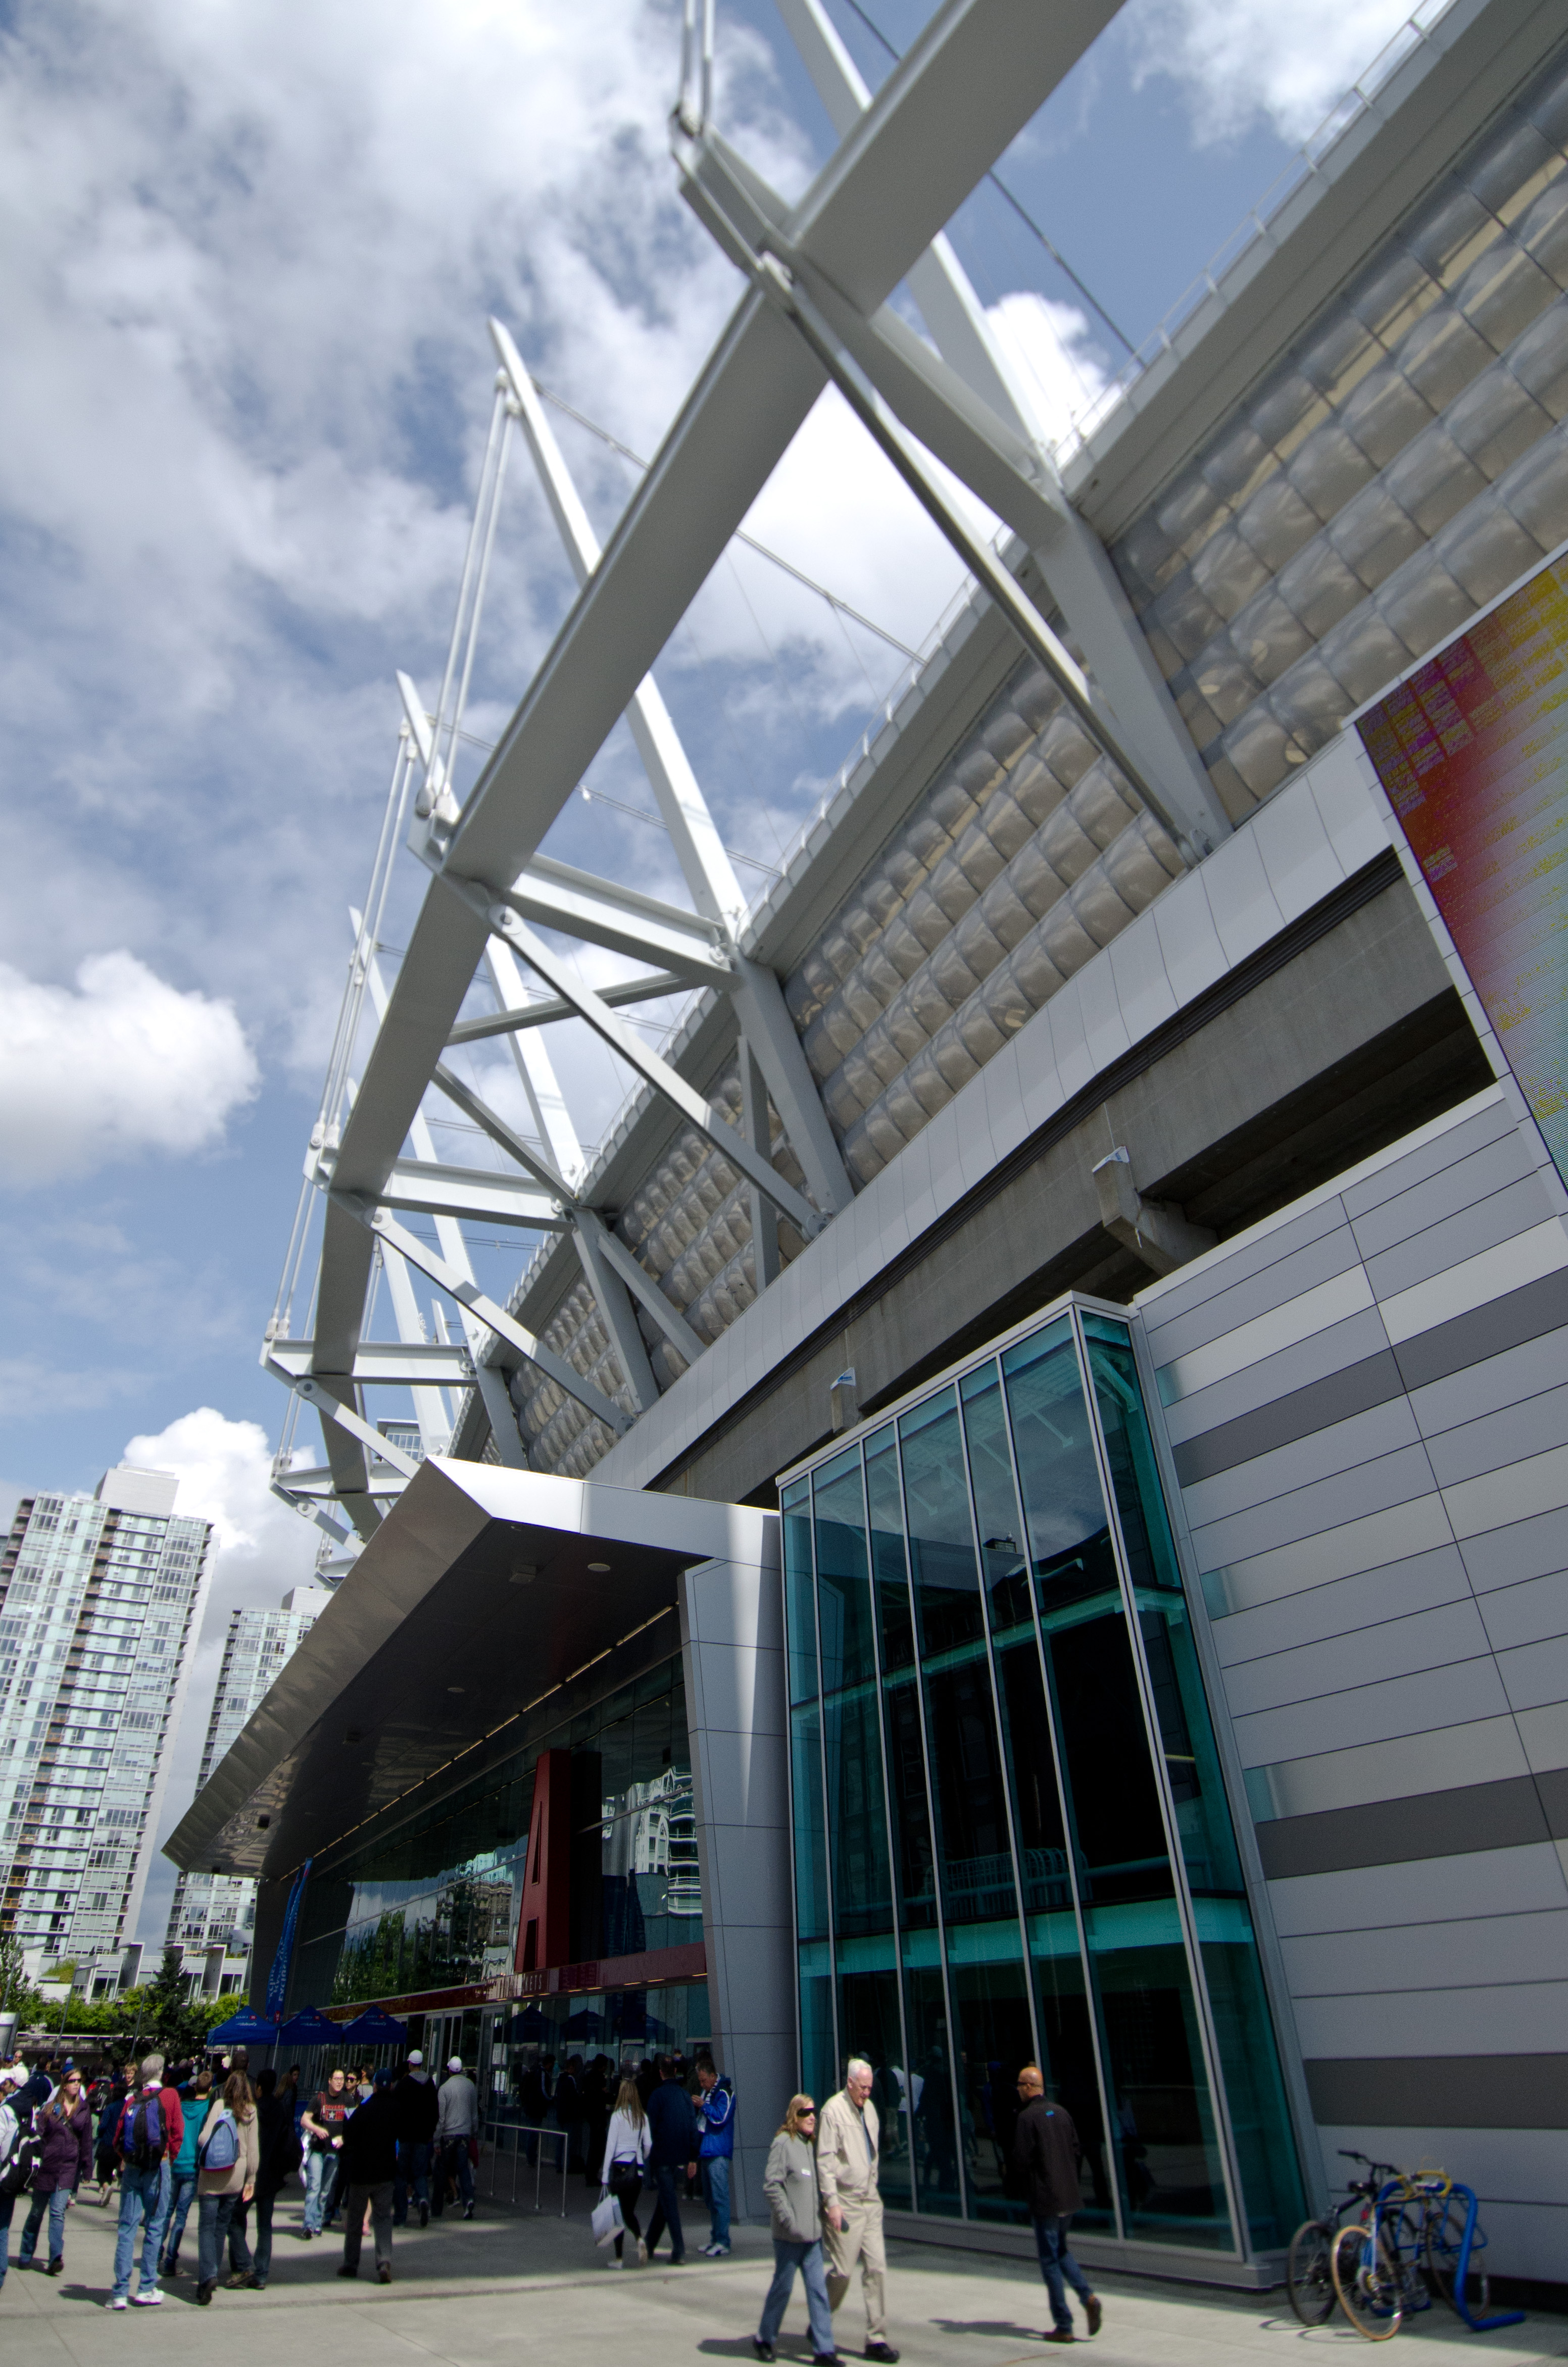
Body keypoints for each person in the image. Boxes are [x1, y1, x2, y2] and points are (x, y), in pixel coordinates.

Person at [1010, 2066, 1101, 2346]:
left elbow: (1021, 2160)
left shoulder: (1027, 2117)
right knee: (1061, 2250)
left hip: (1046, 2200)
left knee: (1049, 2260)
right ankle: (1088, 2297)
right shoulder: (1061, 2113)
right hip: (1068, 2197)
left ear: (1028, 2087)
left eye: (1019, 2085)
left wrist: (1021, 2184)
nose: (1018, 2090)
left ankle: (1064, 2325)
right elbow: (1076, 2150)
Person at [818, 2058, 899, 2364]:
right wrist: (832, 2203)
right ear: (849, 2083)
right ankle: (820, 2321)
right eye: (862, 2088)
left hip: (870, 2200)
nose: (867, 2093)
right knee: (843, 2271)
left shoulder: (871, 2110)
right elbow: (825, 2162)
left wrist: (872, 2183)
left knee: (877, 2268)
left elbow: (872, 2154)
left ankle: (877, 2339)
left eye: (869, 2088)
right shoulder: (833, 2111)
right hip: (846, 2201)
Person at [755, 2093, 837, 2364]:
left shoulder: (810, 2145)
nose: (812, 2117)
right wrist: (789, 2220)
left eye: (814, 2112)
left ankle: (824, 2351)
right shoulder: (783, 2143)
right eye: (806, 2112)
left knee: (818, 2293)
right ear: (794, 2115)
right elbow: (772, 2185)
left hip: (813, 2238)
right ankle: (765, 2339)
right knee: (783, 2289)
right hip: (789, 2237)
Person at [108, 2051, 184, 2309]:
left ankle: (119, 2292)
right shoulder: (170, 2096)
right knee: (155, 2227)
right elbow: (177, 2133)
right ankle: (146, 2289)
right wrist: (168, 2159)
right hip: (158, 2166)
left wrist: (128, 2158)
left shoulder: (132, 2099)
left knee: (127, 2229)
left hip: (132, 2168)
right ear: (162, 2072)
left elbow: (118, 2138)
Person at [17, 2065, 92, 2276]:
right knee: (36, 2212)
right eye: (72, 2081)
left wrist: (87, 2168)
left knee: (58, 2212)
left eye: (79, 2081)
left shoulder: (84, 2109)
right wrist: (33, 2162)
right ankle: (26, 2254)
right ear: (64, 2084)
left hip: (68, 2168)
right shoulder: (51, 2109)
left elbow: (87, 2140)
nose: (76, 2084)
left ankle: (55, 2258)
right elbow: (39, 2137)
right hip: (47, 2167)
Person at [194, 2069, 259, 2305]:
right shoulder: (251, 2111)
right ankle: (212, 2270)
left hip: (212, 2175)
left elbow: (204, 2138)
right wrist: (251, 2180)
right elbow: (253, 2151)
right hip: (236, 2176)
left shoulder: (220, 2105)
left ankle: (208, 2276)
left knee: (206, 2227)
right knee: (221, 2226)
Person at [337, 2064, 398, 2283]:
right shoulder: (396, 2108)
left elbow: (348, 2134)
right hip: (385, 2173)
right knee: (383, 2219)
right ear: (391, 2086)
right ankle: (384, 2261)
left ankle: (351, 2264)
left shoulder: (365, 2107)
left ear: (375, 2087)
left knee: (355, 2219)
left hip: (361, 2172)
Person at [247, 2066, 303, 2289]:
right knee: (265, 2226)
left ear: (259, 2087)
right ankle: (261, 2272)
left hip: (252, 2173)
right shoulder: (280, 2110)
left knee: (235, 2218)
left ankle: (242, 2263)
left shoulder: (254, 2110)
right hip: (271, 2174)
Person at [643, 2054, 697, 2266]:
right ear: (675, 2071)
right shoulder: (684, 2096)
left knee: (669, 2203)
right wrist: (693, 2157)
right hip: (681, 2157)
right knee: (665, 2201)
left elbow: (650, 2130)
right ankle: (649, 2244)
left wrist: (647, 2161)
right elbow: (692, 2127)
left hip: (662, 2156)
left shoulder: (657, 2096)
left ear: (660, 2073)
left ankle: (679, 2250)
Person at [160, 2068, 210, 2278]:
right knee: (181, 2217)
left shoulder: (181, 2106)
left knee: (166, 2212)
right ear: (210, 2088)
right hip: (192, 2167)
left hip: (175, 2162)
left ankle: (155, 2255)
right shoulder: (208, 2108)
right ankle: (170, 2261)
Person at [599, 2072, 650, 2267]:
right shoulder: (642, 2117)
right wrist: (642, 2158)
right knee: (629, 2212)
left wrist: (605, 2176)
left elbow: (610, 2147)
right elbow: (649, 2145)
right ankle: (639, 2239)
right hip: (636, 2171)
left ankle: (619, 2259)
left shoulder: (617, 2117)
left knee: (618, 2215)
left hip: (619, 2171)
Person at [694, 2053, 736, 2258]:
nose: (702, 2084)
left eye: (704, 2080)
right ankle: (715, 2238)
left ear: (713, 2076)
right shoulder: (708, 2092)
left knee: (720, 2198)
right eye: (700, 2081)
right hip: (707, 2149)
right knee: (711, 2199)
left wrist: (704, 2106)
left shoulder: (724, 2093)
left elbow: (720, 2118)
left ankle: (723, 2241)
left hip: (718, 2151)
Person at [301, 2066, 351, 2237]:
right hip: (318, 2150)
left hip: (334, 2152)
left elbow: (353, 2124)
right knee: (314, 2186)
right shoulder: (319, 2099)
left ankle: (318, 2223)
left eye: (342, 2079)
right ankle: (308, 2225)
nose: (340, 2082)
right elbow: (304, 2120)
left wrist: (344, 2138)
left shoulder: (347, 2100)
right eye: (336, 2079)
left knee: (325, 2191)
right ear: (329, 2081)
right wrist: (317, 2129)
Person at [393, 2050, 438, 2227]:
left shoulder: (403, 2085)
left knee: (401, 2176)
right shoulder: (430, 2084)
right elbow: (435, 2111)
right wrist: (430, 2132)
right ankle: (423, 2198)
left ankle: (400, 2217)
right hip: (422, 2137)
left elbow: (396, 2110)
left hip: (405, 2137)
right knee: (420, 2173)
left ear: (411, 2064)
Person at [432, 2057, 478, 2220]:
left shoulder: (445, 2088)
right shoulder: (470, 2086)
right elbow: (474, 2113)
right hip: (465, 2133)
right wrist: (474, 2132)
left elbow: (442, 2118)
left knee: (442, 2170)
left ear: (449, 2070)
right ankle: (469, 2200)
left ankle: (436, 2209)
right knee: (463, 2168)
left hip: (449, 2134)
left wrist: (437, 2139)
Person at [0, 2064, 32, 2291]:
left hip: (2, 2171)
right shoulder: (28, 2106)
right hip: (16, 2172)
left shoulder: (6, 2111)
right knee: (3, 2225)